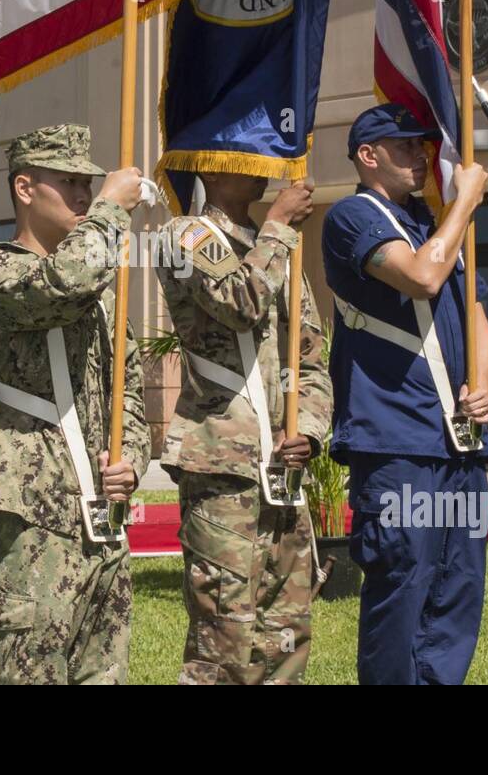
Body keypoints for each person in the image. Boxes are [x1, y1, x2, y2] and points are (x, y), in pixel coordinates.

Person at [0, 123, 149, 685]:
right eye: (67, 181)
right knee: (21, 672)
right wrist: (113, 212)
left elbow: (130, 391)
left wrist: (132, 460)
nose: (82, 194)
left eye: (87, 184)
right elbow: (58, 287)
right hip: (30, 517)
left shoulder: (104, 291)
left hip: (102, 519)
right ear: (24, 188)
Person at [321, 103, 488, 685]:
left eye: (424, 147)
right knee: (405, 584)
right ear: (368, 156)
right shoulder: (353, 216)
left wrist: (485, 387)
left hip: (458, 443)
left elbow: (477, 317)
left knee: (457, 591)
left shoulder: (432, 223)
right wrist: (466, 201)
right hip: (396, 441)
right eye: (404, 148)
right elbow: (423, 275)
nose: (421, 157)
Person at [156, 173, 332, 684]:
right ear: (211, 164)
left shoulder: (278, 247)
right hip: (221, 465)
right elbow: (240, 303)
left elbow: (312, 360)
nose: (260, 168)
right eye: (243, 156)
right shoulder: (186, 234)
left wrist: (310, 428)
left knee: (286, 630)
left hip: (283, 470)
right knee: (224, 638)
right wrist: (278, 225)